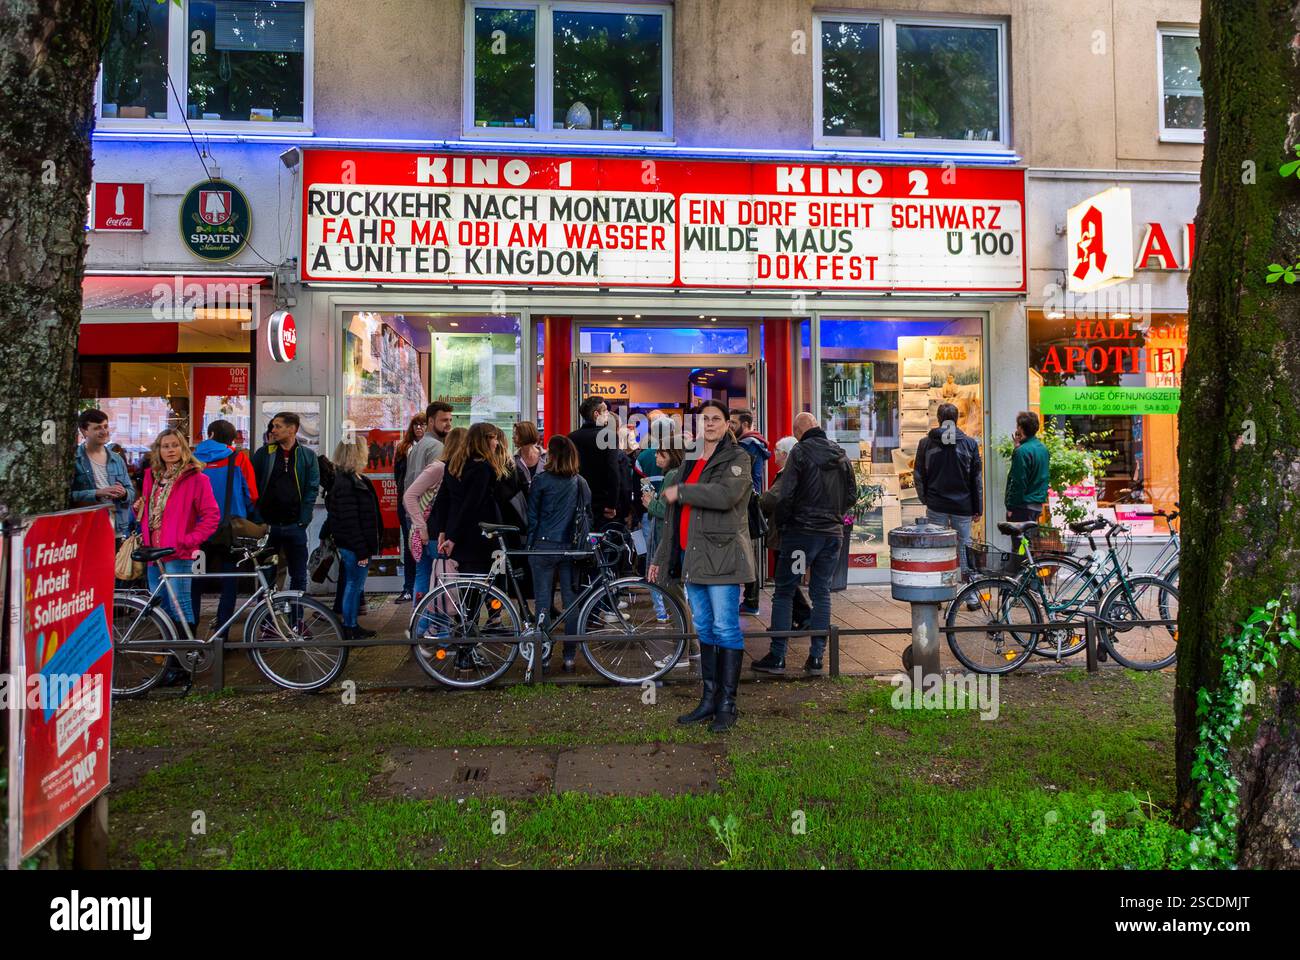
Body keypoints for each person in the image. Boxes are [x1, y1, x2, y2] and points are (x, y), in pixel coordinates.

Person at [648, 399, 754, 732]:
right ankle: (708, 700)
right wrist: (661, 559)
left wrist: (682, 490)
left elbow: (725, 496)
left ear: (728, 424)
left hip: (721, 556)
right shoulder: (692, 457)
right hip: (691, 557)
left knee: (725, 628)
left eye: (715, 419)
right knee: (705, 629)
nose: (708, 424)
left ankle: (727, 704)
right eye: (704, 418)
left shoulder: (738, 458)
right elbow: (671, 517)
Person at [751, 412, 852, 676]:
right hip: (832, 535)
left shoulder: (799, 453)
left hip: (801, 535)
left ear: (798, 432)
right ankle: (817, 658)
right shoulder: (840, 454)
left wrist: (784, 525)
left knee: (784, 591)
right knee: (822, 593)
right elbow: (852, 494)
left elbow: (786, 496)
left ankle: (778, 655)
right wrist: (834, 516)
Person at [133, 428, 220, 634]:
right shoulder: (151, 477)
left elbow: (211, 516)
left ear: (183, 448)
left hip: (177, 551)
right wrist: (138, 508)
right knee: (160, 602)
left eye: (175, 445)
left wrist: (188, 540)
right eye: (165, 446)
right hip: (153, 551)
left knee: (180, 604)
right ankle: (170, 651)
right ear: (158, 450)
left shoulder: (197, 479)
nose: (171, 450)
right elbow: (150, 510)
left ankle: (185, 654)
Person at [527, 435, 592, 672]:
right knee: (570, 602)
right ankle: (569, 656)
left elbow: (532, 517)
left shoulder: (541, 481)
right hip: (571, 548)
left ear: (551, 456)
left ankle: (543, 656)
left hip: (543, 546)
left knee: (543, 603)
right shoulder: (580, 482)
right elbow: (587, 516)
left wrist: (530, 545)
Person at [192, 420, 260, 639]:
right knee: (229, 581)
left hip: (197, 531)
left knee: (194, 580)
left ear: (210, 434)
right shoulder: (238, 458)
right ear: (231, 438)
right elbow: (252, 495)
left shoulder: (192, 459)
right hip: (229, 530)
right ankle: (222, 635)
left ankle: (190, 634)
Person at [250, 412, 320, 592]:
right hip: (268, 526)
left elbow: (312, 489)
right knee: (267, 576)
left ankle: (296, 618)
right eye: (272, 426)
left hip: (295, 525)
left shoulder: (307, 456)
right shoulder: (264, 454)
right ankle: (265, 618)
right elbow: (250, 486)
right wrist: (258, 519)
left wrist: (303, 519)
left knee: (298, 575)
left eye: (278, 426)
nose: (273, 430)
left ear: (292, 429)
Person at [913, 402, 983, 578]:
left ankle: (937, 592)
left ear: (938, 419)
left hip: (937, 504)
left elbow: (918, 475)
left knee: (938, 548)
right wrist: (977, 508)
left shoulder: (926, 444)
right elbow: (976, 480)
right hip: (963, 506)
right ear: (957, 419)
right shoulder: (969, 444)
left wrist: (926, 499)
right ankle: (971, 594)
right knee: (965, 547)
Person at [430, 422, 507, 575]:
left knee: (467, 582)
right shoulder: (483, 468)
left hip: (456, 532)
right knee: (490, 585)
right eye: (494, 438)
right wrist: (451, 538)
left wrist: (443, 532)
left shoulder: (453, 464)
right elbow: (471, 505)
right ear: (484, 441)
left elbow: (442, 500)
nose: (497, 443)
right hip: (481, 535)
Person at [326, 438, 382, 640]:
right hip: (354, 546)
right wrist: (361, 550)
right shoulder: (346, 483)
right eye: (364, 449)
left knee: (354, 584)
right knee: (354, 585)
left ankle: (351, 624)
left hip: (354, 544)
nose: (368, 453)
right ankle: (349, 626)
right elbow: (350, 520)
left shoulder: (354, 479)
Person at [403, 427, 468, 600]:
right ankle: (434, 625)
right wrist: (420, 526)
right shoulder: (440, 467)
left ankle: (420, 624)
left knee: (428, 578)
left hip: (433, 531)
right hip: (432, 532)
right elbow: (409, 495)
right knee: (439, 582)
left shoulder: (451, 468)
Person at [759, 435, 812, 631]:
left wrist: (759, 499)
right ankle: (797, 617)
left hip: (786, 535)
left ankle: (802, 617)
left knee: (786, 580)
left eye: (777, 451)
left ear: (785, 454)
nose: (774, 454)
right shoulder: (792, 473)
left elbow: (772, 499)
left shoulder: (787, 474)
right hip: (790, 535)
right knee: (788, 580)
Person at [72, 408, 136, 542]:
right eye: (97, 428)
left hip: (116, 529)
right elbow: (68, 496)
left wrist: (124, 493)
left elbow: (131, 492)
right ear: (84, 431)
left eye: (105, 426)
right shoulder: (75, 459)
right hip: (87, 529)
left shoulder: (117, 459)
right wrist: (97, 493)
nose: (104, 431)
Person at [641, 437, 685, 631]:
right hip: (676, 539)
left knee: (672, 594)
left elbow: (663, 511)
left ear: (672, 455)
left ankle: (683, 644)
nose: (657, 457)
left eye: (661, 453)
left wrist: (650, 502)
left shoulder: (671, 476)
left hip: (666, 538)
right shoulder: (681, 473)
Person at [732, 408, 771, 616]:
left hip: (746, 504)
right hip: (749, 502)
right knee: (747, 553)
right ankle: (750, 598)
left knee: (747, 554)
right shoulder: (754, 443)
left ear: (745, 424)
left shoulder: (747, 445)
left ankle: (751, 599)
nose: (730, 426)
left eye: (734, 422)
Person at [569, 396, 621, 524]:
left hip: (576, 498)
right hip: (601, 502)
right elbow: (613, 469)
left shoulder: (571, 437)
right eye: (606, 411)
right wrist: (612, 503)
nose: (608, 415)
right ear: (596, 414)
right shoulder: (610, 436)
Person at [393, 413, 428, 603]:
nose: (419, 428)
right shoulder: (404, 448)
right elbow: (398, 475)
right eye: (416, 425)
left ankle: (422, 588)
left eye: (422, 425)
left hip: (426, 502)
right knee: (409, 545)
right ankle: (409, 587)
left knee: (424, 545)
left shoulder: (432, 447)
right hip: (407, 502)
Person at [1006, 411, 1050, 522]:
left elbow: (1019, 482)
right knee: (1028, 538)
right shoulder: (1043, 449)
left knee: (1020, 539)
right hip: (1036, 505)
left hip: (1022, 506)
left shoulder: (1022, 451)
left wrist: (1011, 506)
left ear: (1020, 428)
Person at [405, 401, 454, 486]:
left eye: (450, 420)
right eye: (444, 420)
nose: (449, 424)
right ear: (431, 421)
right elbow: (435, 487)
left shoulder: (417, 446)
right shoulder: (436, 446)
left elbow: (408, 482)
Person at [513, 420, 546, 491]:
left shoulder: (546, 457)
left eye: (516, 434)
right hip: (523, 501)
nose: (513, 437)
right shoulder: (513, 459)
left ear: (525, 435)